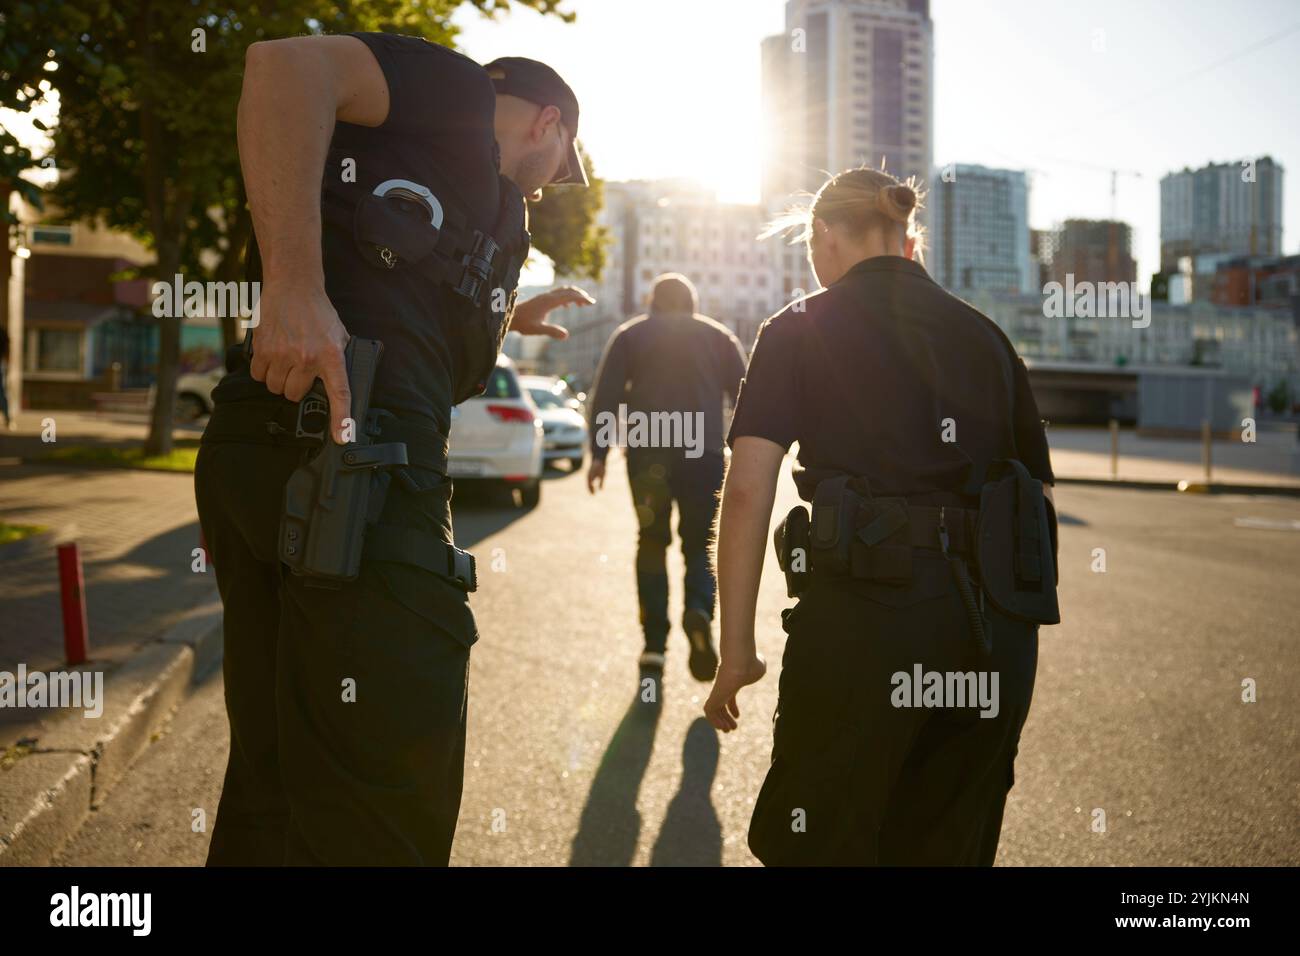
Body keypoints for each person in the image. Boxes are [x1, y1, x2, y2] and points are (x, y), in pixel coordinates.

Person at [194, 32, 591, 866]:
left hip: (285, 457)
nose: (554, 188)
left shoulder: (483, 209)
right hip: (356, 468)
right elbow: (283, 67)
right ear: (549, 123)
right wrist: (292, 285)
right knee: (391, 790)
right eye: (561, 167)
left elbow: (394, 296)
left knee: (275, 786)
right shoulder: (457, 92)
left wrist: (499, 317)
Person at [703, 165, 1058, 865]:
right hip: (995, 638)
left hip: (867, 623)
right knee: (945, 846)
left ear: (824, 235)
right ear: (908, 239)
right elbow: (1037, 502)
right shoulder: (987, 337)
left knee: (819, 843)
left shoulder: (799, 327)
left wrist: (736, 651)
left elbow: (748, 491)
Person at [586, 273, 746, 690]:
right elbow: (747, 397)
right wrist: (742, 452)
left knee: (652, 542)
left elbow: (605, 396)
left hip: (648, 455)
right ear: (692, 303)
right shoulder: (720, 337)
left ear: (653, 303)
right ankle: (699, 613)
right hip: (704, 455)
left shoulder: (630, 335)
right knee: (700, 546)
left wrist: (598, 456)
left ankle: (654, 646)